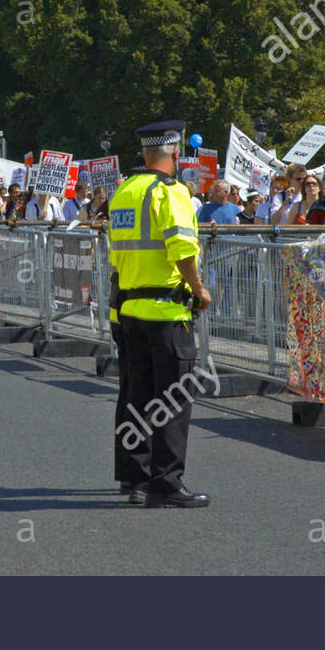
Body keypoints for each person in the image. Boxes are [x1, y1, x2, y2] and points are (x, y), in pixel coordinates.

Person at [107, 119, 211, 508]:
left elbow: (117, 255)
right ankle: (166, 483)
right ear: (174, 153)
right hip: (166, 311)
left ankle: (134, 478)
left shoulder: (124, 192)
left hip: (129, 309)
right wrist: (199, 289)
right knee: (172, 399)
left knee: (135, 396)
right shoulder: (171, 191)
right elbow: (181, 248)